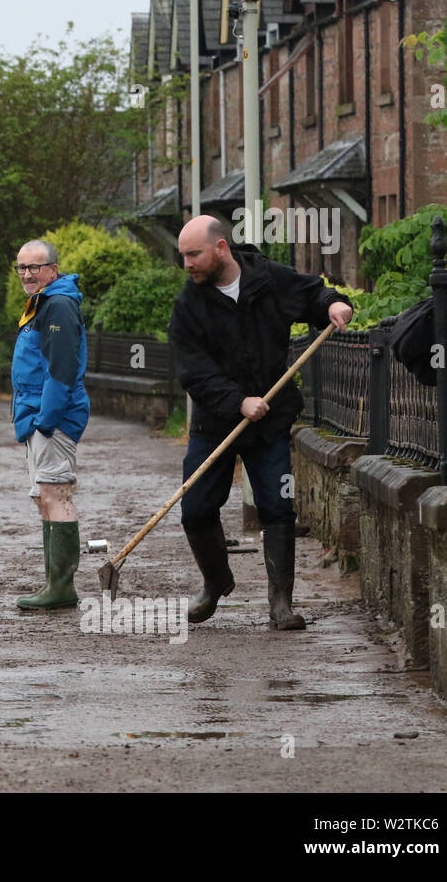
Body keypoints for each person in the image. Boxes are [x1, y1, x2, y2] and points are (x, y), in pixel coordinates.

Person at [170, 215, 352, 630]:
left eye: (193, 254)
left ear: (220, 249)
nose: (187, 264)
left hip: (270, 423)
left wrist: (334, 303)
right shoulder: (189, 305)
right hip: (215, 423)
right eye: (182, 256)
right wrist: (238, 402)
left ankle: (280, 603)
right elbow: (193, 371)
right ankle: (215, 583)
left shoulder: (270, 279)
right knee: (196, 509)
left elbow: (314, 294)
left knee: (277, 506)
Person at [10, 240, 90, 610]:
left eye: (35, 267)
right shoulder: (45, 302)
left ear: (53, 270)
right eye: (22, 268)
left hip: (52, 420)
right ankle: (53, 583)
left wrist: (45, 421)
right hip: (39, 418)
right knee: (46, 495)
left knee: (55, 493)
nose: (28, 274)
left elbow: (61, 370)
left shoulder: (57, 305)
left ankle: (61, 586)